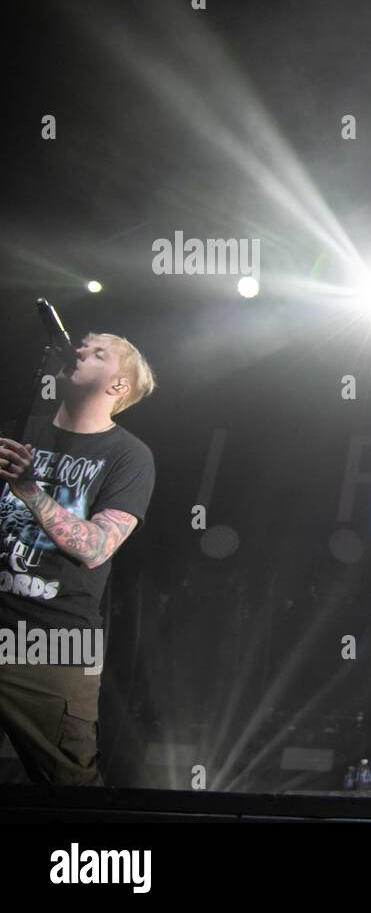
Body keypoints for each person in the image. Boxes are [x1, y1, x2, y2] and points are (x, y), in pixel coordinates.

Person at [0, 332, 156, 784]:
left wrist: (30, 490)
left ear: (118, 386)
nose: (80, 350)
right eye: (82, 344)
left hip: (54, 641)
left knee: (70, 787)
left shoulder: (129, 456)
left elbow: (96, 548)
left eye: (98, 352)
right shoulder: (17, 430)